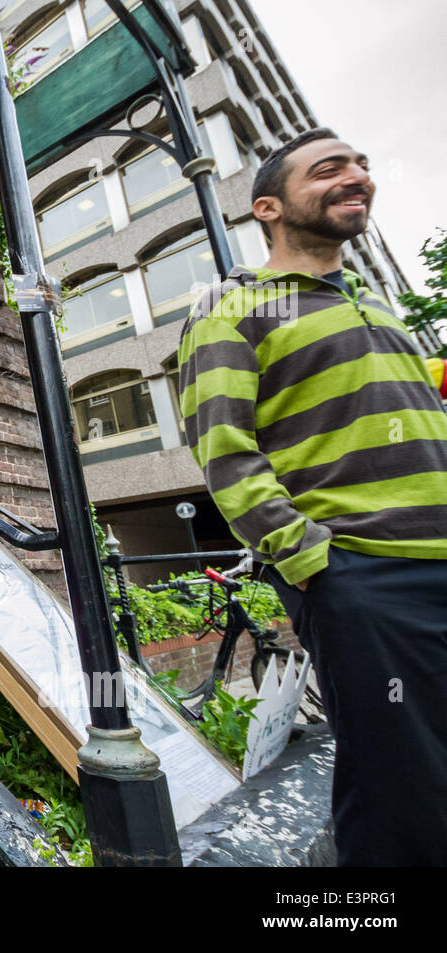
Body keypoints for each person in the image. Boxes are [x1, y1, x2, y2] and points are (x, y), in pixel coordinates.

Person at [178, 128, 447, 865]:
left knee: (394, 776)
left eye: (361, 165)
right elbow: (225, 452)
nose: (355, 176)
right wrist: (314, 563)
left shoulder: (381, 309)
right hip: (364, 573)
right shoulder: (232, 305)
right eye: (329, 169)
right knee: (410, 791)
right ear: (268, 206)